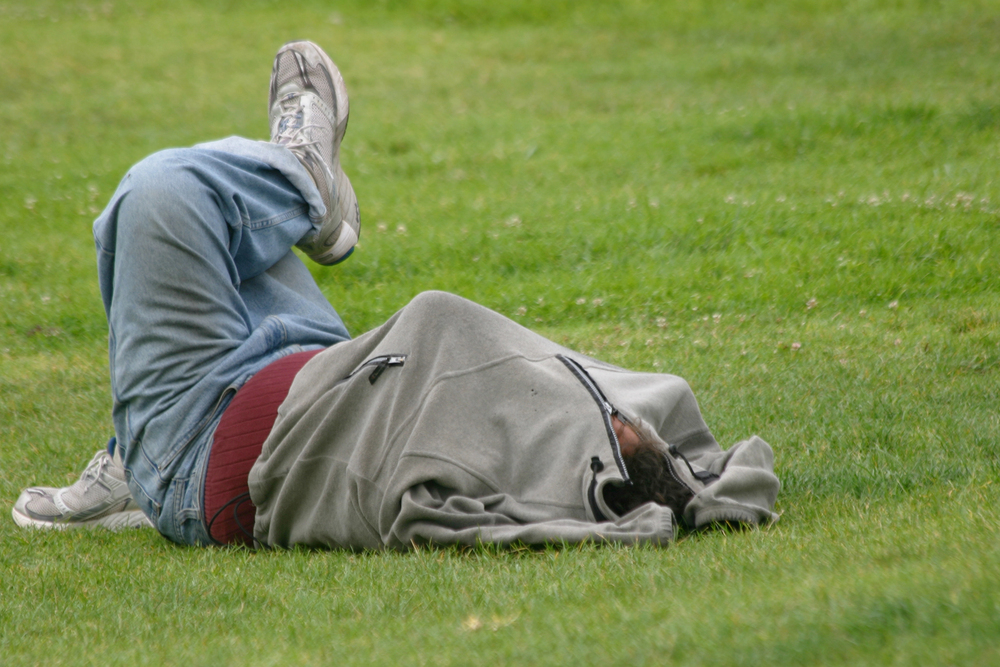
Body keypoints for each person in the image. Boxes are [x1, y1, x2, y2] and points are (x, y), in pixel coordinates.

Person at [12, 42, 780, 549]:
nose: (621, 427)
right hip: (322, 363)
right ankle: (300, 191)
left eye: (618, 438)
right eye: (623, 433)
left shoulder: (515, 461)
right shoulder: (581, 420)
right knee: (432, 316)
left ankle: (304, 180)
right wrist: (631, 443)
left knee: (156, 197)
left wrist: (614, 463)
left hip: (210, 445)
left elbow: (422, 483)